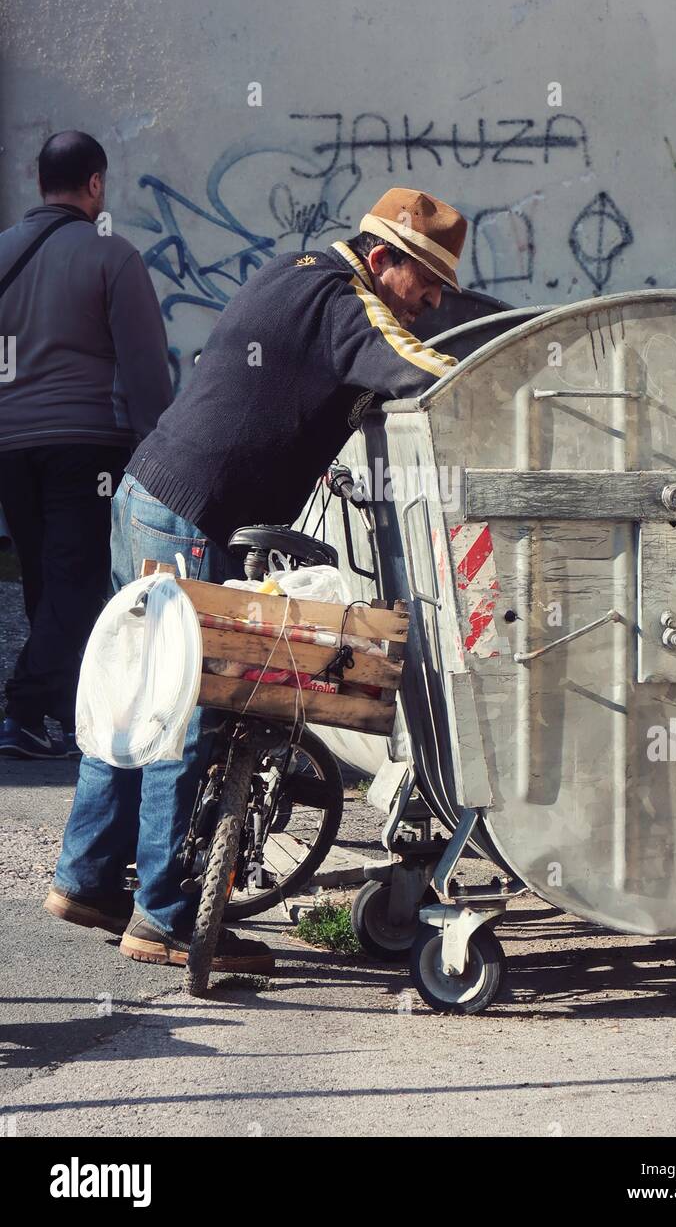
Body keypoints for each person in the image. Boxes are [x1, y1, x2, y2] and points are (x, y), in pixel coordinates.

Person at [45, 187, 468, 977]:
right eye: (427, 286)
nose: (432, 305)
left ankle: (89, 880)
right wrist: (500, 383)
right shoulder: (348, 302)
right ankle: (165, 919)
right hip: (193, 516)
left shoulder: (294, 271)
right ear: (382, 261)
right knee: (186, 710)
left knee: (136, 694)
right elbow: (418, 370)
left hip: (149, 496)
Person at [0, 131, 172, 761]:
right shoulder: (112, 255)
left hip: (12, 447)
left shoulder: (3, 251)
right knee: (77, 577)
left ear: (37, 180)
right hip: (86, 443)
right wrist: (158, 449)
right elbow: (146, 368)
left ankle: (61, 717)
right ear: (95, 184)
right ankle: (22, 710)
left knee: (47, 577)